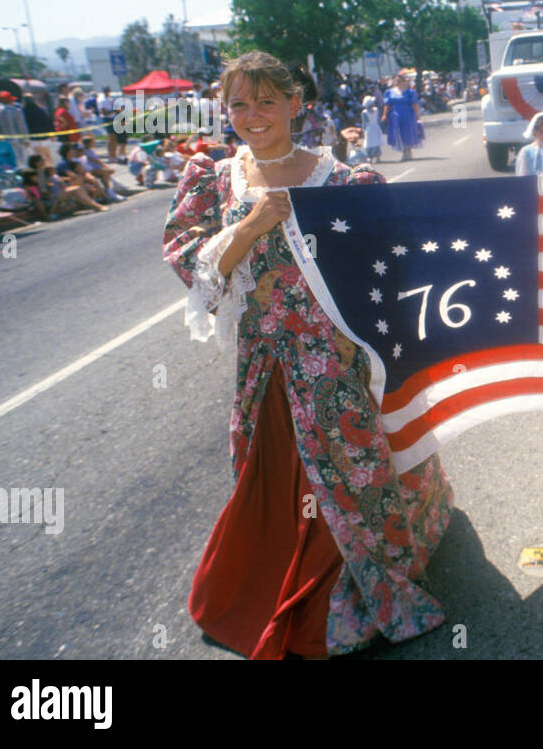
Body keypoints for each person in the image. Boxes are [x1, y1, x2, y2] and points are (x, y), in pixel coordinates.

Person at [163, 51, 453, 659]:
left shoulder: (343, 183)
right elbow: (191, 261)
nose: (253, 116)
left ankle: (356, 581)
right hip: (266, 363)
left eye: (267, 101)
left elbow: (386, 268)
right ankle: (269, 583)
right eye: (239, 103)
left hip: (333, 360)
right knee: (275, 482)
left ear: (296, 104)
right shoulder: (215, 180)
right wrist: (251, 227)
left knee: (351, 472)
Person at [381, 73, 422, 162]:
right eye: (396, 81)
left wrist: (417, 116)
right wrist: (384, 115)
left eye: (399, 81)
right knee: (398, 132)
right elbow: (387, 104)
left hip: (407, 114)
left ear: (403, 82)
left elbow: (414, 104)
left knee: (407, 132)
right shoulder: (390, 92)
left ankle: (408, 150)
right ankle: (404, 151)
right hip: (395, 114)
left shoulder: (409, 92)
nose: (397, 82)